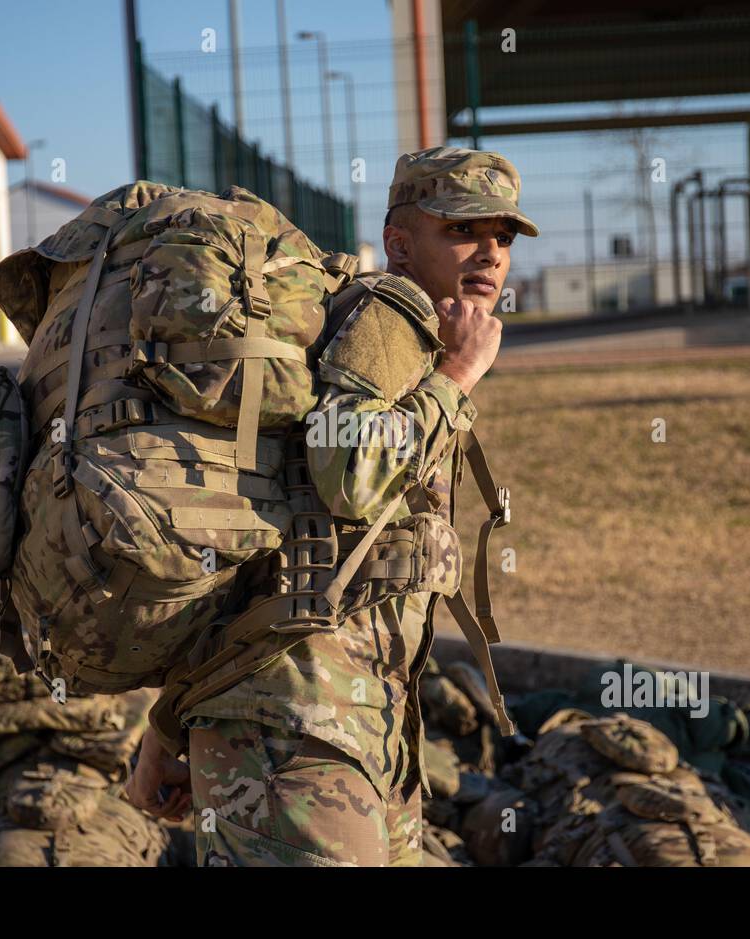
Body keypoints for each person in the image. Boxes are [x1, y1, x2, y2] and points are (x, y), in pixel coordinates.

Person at [124, 146, 539, 865]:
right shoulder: (392, 311)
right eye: (462, 230)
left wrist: (167, 725)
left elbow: (282, 552)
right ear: (401, 244)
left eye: (502, 236)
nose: (490, 254)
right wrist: (459, 375)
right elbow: (348, 469)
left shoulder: (403, 330)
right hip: (296, 736)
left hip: (345, 725)